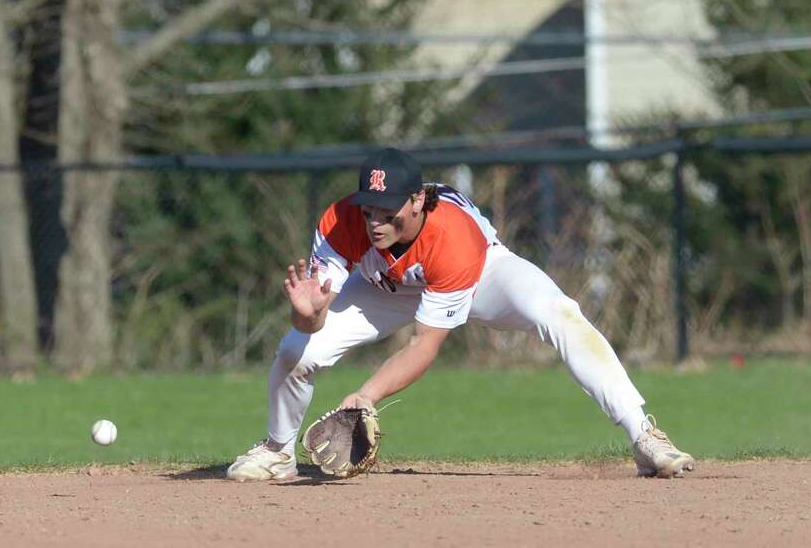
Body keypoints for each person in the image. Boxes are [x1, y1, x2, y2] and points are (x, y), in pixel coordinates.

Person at [227, 147, 694, 481]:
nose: (375, 221)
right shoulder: (341, 222)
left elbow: (425, 344)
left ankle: (644, 436)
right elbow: (313, 316)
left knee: (559, 312)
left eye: (388, 211)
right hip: (387, 287)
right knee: (295, 348)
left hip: (478, 271)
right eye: (369, 209)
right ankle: (277, 452)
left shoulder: (453, 233)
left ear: (417, 200)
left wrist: (365, 396)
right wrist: (308, 318)